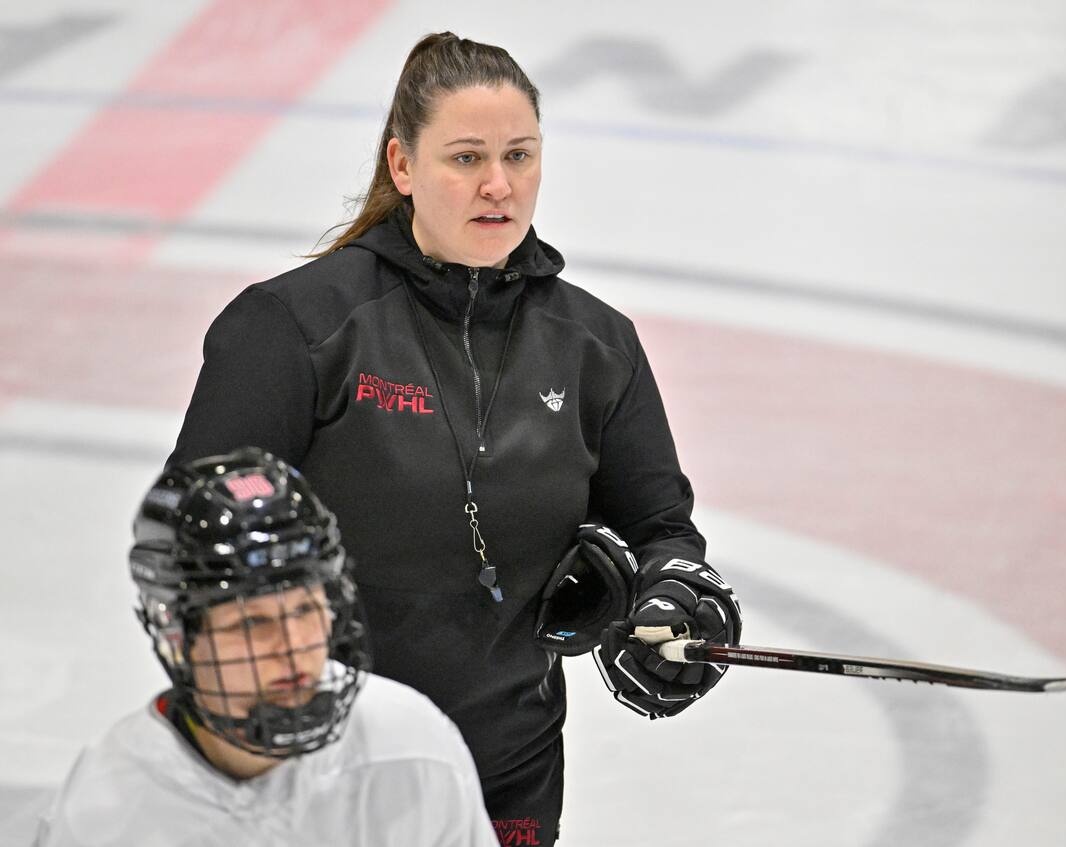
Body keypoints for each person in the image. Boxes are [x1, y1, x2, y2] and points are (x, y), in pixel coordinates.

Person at [168, 32, 743, 845]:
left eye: (519, 155)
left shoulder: (596, 348)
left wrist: (672, 598)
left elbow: (661, 531)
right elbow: (191, 533)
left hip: (504, 776)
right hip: (312, 774)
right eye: (466, 157)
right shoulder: (297, 327)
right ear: (403, 166)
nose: (498, 184)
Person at [35, 448, 495, 847]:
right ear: (178, 638)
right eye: (252, 623)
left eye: (305, 609)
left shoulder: (412, 749)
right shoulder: (105, 812)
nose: (293, 647)